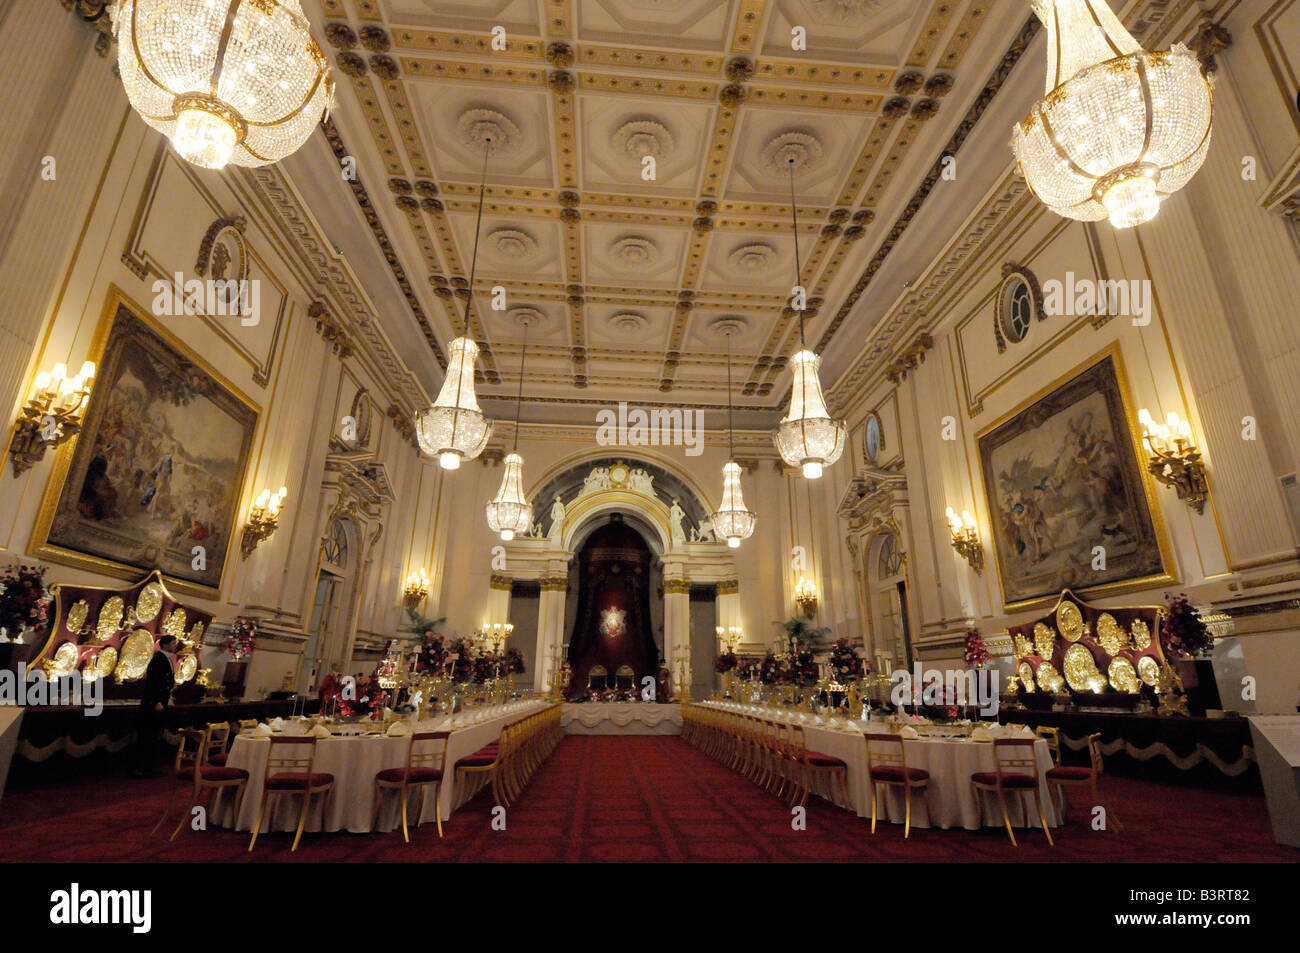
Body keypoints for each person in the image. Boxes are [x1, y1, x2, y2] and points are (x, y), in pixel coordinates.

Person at [133, 634, 179, 777]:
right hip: (153, 704)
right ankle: (141, 768)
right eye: (172, 643)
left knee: (155, 735)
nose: (174, 646)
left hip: (162, 701)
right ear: (165, 645)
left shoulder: (167, 659)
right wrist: (157, 701)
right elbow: (154, 683)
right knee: (148, 735)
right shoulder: (158, 660)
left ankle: (149, 766)